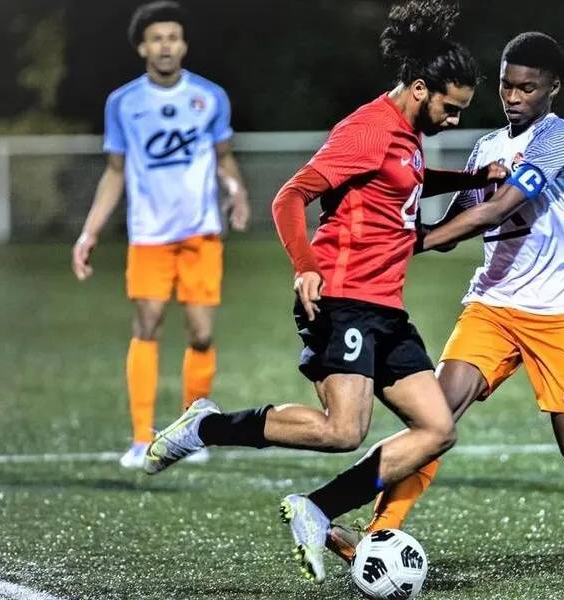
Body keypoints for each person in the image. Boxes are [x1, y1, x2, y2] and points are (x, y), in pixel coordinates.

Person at [143, 0, 506, 583]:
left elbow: (407, 181)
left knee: (438, 430)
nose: (456, 121)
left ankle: (318, 507)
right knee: (344, 430)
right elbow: (290, 196)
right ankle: (205, 426)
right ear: (419, 88)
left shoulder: (409, 135)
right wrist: (304, 265)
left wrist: (469, 179)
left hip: (386, 306)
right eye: (451, 108)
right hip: (340, 296)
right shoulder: (367, 130)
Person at [325, 32, 564, 589]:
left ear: (552, 88)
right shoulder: (486, 147)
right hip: (492, 305)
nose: (513, 96)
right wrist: (394, 222)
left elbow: (499, 209)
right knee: (434, 420)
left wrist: (418, 241)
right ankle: (379, 532)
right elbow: (462, 212)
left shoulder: (560, 139)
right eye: (507, 84)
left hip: (561, 313)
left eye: (527, 88)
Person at [71, 0, 250, 470]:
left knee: (202, 335)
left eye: (173, 37)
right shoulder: (123, 103)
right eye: (157, 38)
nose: (166, 45)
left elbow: (224, 158)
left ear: (183, 44)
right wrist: (89, 233)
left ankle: (189, 434)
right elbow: (115, 173)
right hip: (149, 235)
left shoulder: (210, 97)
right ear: (142, 48)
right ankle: (139, 438)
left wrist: (236, 192)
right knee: (146, 327)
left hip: (200, 234)